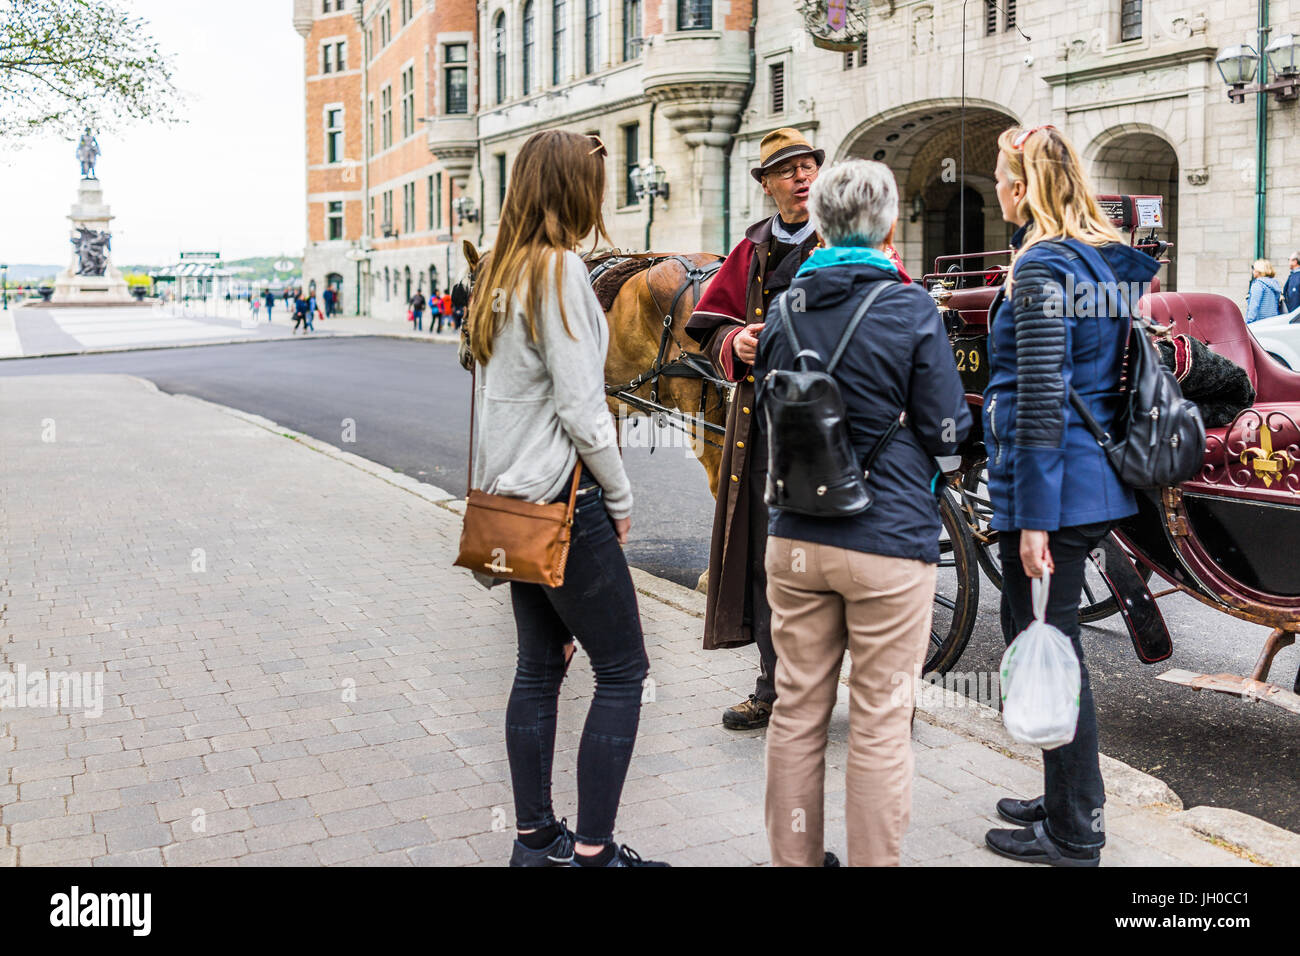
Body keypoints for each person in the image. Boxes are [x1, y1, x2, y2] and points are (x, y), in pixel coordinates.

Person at [756, 160, 970, 866]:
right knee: (880, 722)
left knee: (796, 714)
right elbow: (946, 430)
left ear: (817, 221)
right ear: (885, 223)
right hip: (889, 538)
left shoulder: (783, 306)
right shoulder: (910, 308)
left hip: (793, 539)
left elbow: (768, 415)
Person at [467, 129, 664, 867]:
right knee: (623, 671)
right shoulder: (560, 274)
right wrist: (618, 495)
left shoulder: (501, 273)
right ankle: (592, 853)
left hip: (511, 508)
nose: (600, 196)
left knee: (537, 670)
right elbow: (586, 410)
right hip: (563, 501)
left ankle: (534, 839)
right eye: (594, 182)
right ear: (572, 190)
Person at [982, 124, 1161, 867]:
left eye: (999, 177)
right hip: (1092, 482)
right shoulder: (1097, 262)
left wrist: (1031, 519)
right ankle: (1063, 793)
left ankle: (1075, 830)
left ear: (1021, 190)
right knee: (1037, 635)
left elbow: (1040, 400)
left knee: (1053, 648)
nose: (996, 189)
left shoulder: (1041, 269)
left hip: (1054, 493)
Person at [685, 127, 825, 731]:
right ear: (767, 185)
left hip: (832, 426)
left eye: (808, 165)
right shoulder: (750, 249)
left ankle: (862, 692)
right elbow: (707, 325)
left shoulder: (848, 236)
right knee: (771, 560)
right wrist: (731, 340)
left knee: (837, 561)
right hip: (764, 427)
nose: (802, 176)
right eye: (788, 169)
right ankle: (772, 689)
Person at [1245, 259, 1283, 324]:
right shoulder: (1274, 284)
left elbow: (1254, 306)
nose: (1253, 271)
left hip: (1260, 323)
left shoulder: (1258, 284)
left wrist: (1248, 322)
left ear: (1259, 270)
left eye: (1254, 269)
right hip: (1273, 322)